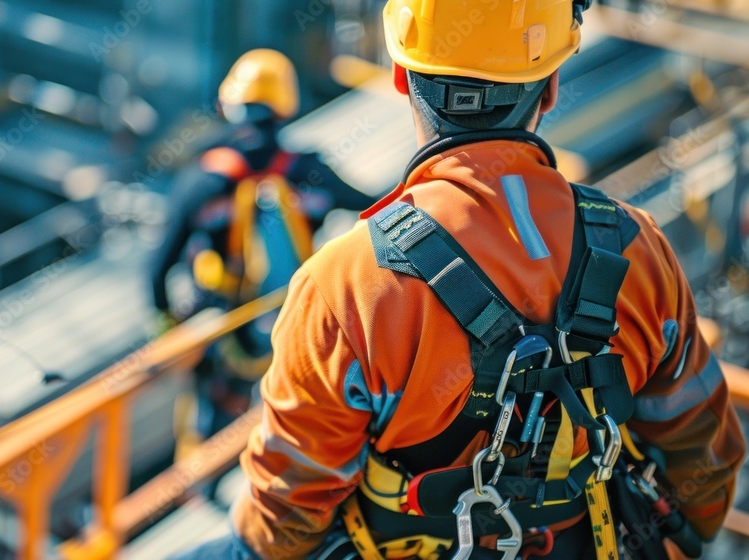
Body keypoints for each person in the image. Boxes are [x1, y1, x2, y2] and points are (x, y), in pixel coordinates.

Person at [170, 1, 746, 559]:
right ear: (550, 86)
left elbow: (283, 520)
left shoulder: (343, 284)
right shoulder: (636, 248)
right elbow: (706, 464)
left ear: (400, 76)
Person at [151, 49, 376, 457]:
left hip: (220, 333)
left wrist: (167, 327)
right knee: (287, 424)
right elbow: (375, 208)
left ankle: (201, 481)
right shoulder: (308, 171)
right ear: (286, 105)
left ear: (228, 105)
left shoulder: (201, 180)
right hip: (296, 328)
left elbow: (157, 269)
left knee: (209, 430)